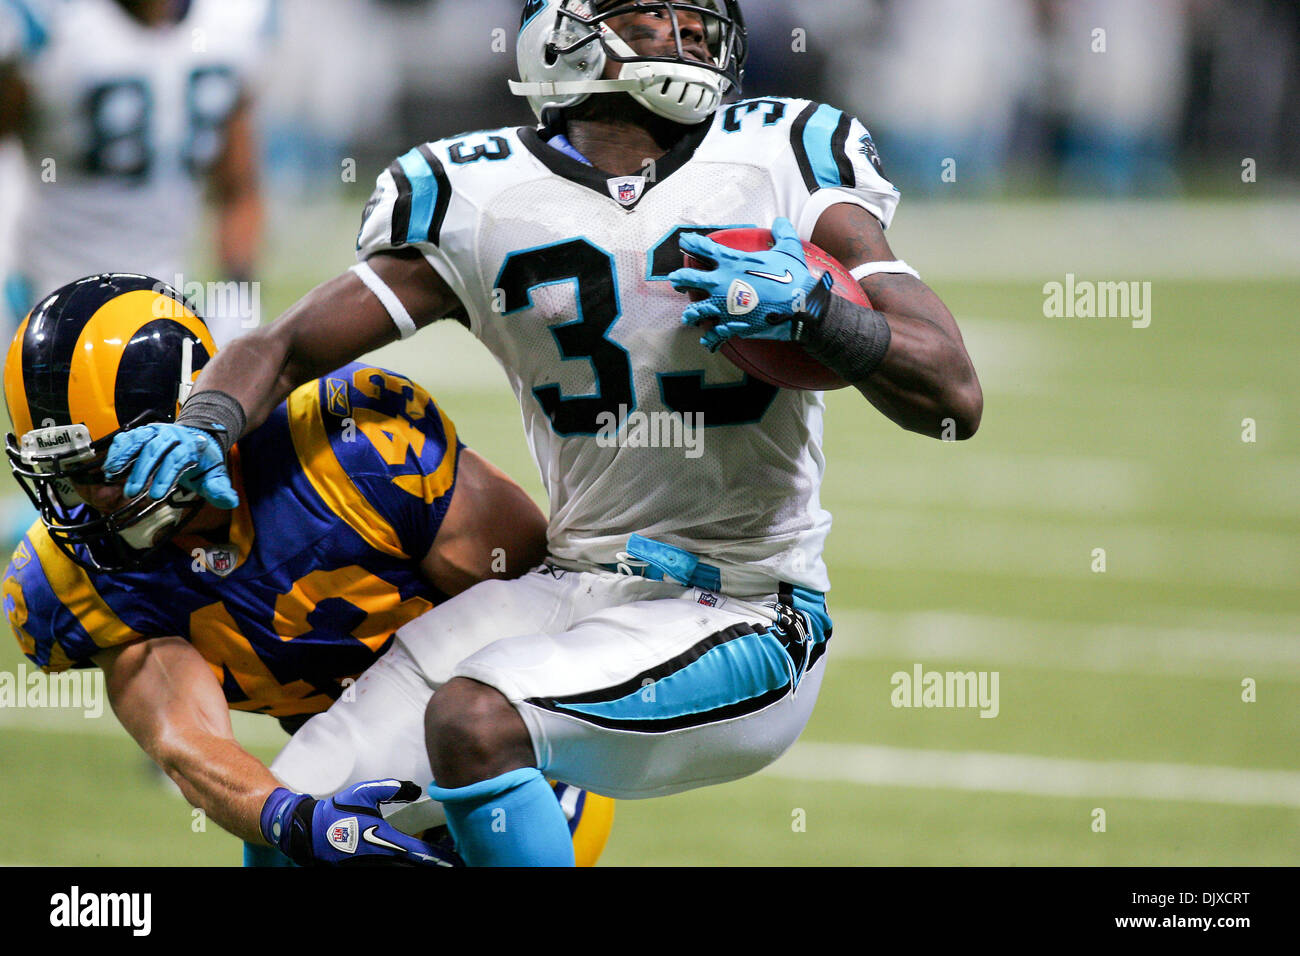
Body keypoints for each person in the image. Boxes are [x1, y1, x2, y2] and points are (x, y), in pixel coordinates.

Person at [107, 0, 983, 866]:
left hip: (750, 604)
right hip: (579, 581)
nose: (689, 36)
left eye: (695, 19)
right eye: (651, 19)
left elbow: (953, 395)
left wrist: (825, 315)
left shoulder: (780, 155)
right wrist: (206, 423)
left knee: (475, 719)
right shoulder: (469, 192)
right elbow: (285, 344)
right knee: (300, 834)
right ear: (560, 36)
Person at [3, 273, 613, 866]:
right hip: (351, 776)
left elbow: (548, 597)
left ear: (187, 413)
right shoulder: (70, 575)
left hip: (508, 744)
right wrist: (297, 824)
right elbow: (189, 743)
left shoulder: (349, 449)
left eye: (110, 465)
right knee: (281, 830)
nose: (92, 498)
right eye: (66, 475)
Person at [0, 0, 269, 344]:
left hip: (159, 301)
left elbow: (239, 188)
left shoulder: (231, 23)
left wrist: (237, 288)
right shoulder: (48, 22)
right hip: (43, 294)